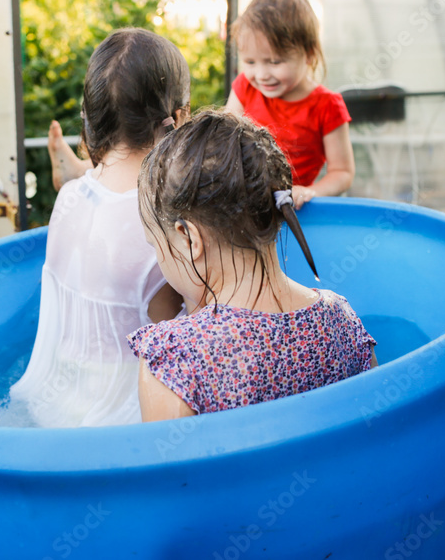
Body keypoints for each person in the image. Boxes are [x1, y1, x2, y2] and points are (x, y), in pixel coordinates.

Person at [0, 28, 190, 428]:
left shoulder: (67, 199)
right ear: (179, 119)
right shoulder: (163, 224)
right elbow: (181, 338)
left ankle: (84, 170)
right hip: (120, 419)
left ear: (93, 120)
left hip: (50, 401)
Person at [128, 111, 376, 422]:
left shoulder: (172, 359)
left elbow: (168, 469)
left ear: (189, 237)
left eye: (155, 245)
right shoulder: (342, 319)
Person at [227, 0, 356, 208]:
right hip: (244, 204)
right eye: (250, 62)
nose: (261, 74)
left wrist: (310, 191)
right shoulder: (245, 87)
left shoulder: (327, 106)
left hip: (292, 208)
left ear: (310, 54)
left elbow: (342, 172)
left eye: (275, 62)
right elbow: (224, 140)